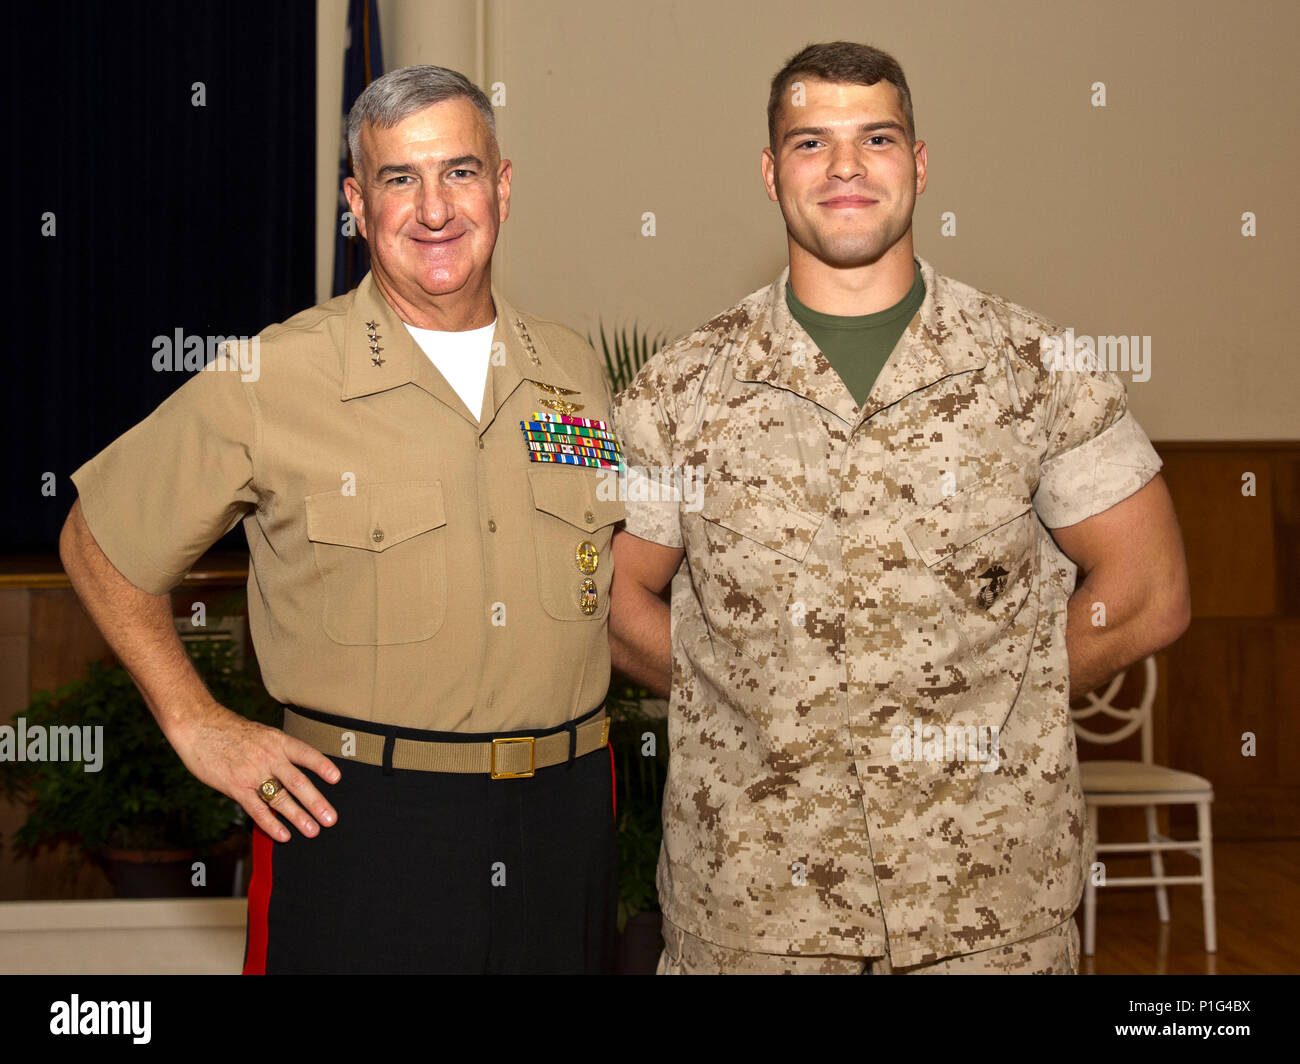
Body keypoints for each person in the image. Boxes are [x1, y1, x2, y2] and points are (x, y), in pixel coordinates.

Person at [609, 41, 1191, 974]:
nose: (845, 166)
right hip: (756, 915)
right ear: (769, 174)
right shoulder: (678, 392)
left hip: (989, 909)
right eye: (810, 143)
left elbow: (1151, 586)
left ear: (919, 164)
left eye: (876, 137)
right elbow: (620, 599)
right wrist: (756, 699)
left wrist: (1008, 699)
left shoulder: (1040, 371)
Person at [59, 65, 625, 974]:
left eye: (461, 172)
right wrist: (195, 722)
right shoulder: (271, 377)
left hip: (567, 825)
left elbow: (610, 579)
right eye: (400, 179)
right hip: (362, 822)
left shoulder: (571, 370)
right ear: (357, 204)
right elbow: (98, 540)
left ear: (504, 186)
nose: (434, 208)